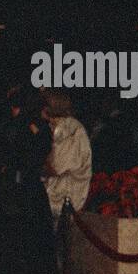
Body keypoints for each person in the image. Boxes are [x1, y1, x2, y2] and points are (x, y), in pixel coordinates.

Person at [0, 87, 60, 274]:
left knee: (27, 254)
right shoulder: (21, 126)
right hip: (12, 193)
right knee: (12, 255)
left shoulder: (35, 128)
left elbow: (26, 155)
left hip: (25, 197)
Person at [41, 91, 93, 222]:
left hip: (65, 200)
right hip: (52, 199)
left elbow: (56, 166)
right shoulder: (53, 126)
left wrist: (32, 164)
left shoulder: (71, 128)